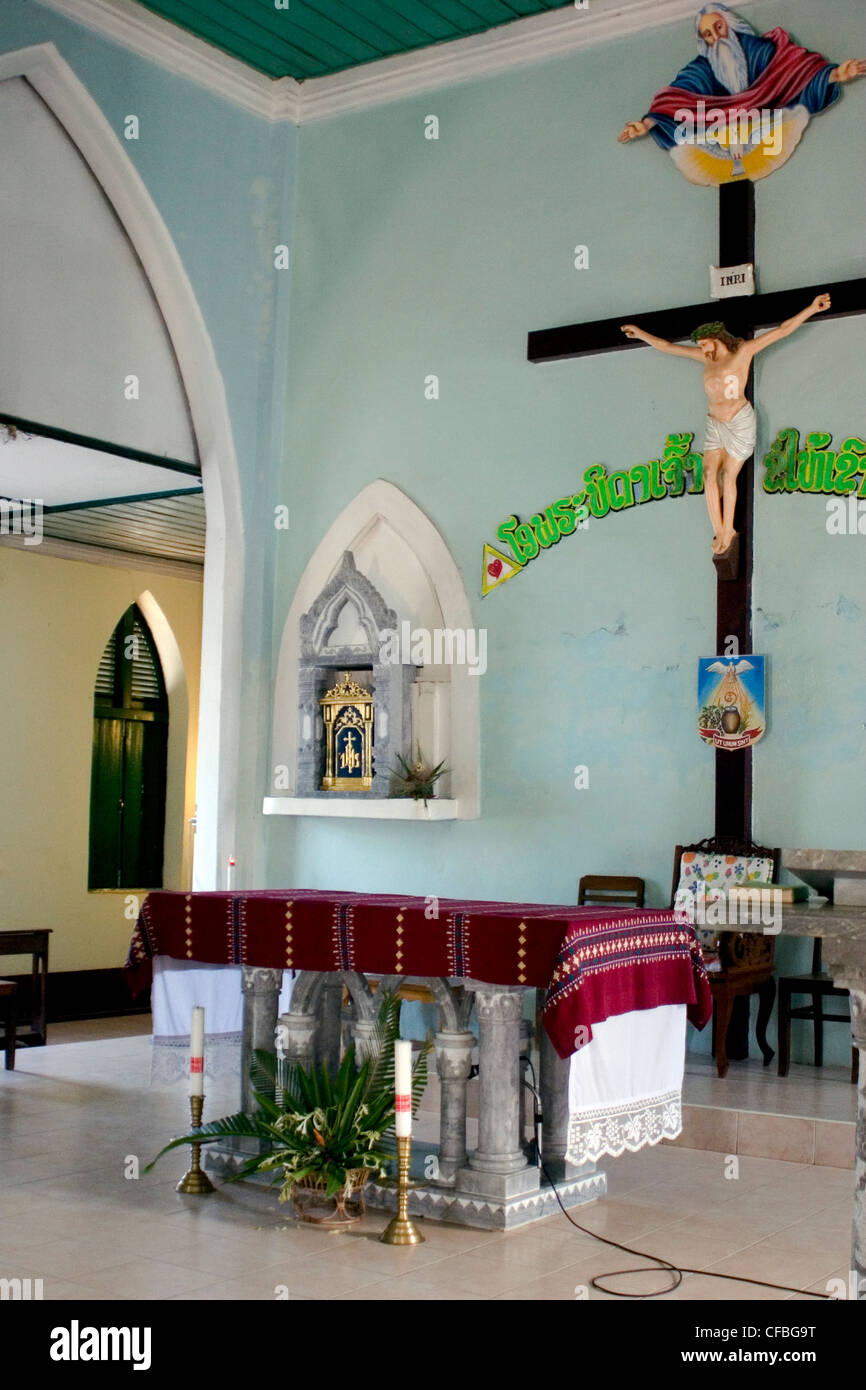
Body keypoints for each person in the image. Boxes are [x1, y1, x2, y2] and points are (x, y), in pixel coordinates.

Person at [621, 295, 831, 554]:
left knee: (728, 475)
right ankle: (718, 530)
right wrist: (641, 334)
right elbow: (667, 346)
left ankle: (728, 529)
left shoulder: (742, 352)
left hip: (739, 420)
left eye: (706, 344)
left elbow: (782, 330)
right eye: (700, 346)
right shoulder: (705, 359)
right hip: (714, 423)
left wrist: (810, 308)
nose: (704, 349)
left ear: (717, 338)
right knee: (709, 474)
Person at [618, 6, 865, 184]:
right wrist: (647, 123)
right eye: (708, 35)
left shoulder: (762, 51)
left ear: (730, 23)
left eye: (718, 27)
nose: (716, 38)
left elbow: (796, 74)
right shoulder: (704, 68)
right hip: (725, 135)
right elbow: (676, 98)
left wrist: (834, 75)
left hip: (765, 127)